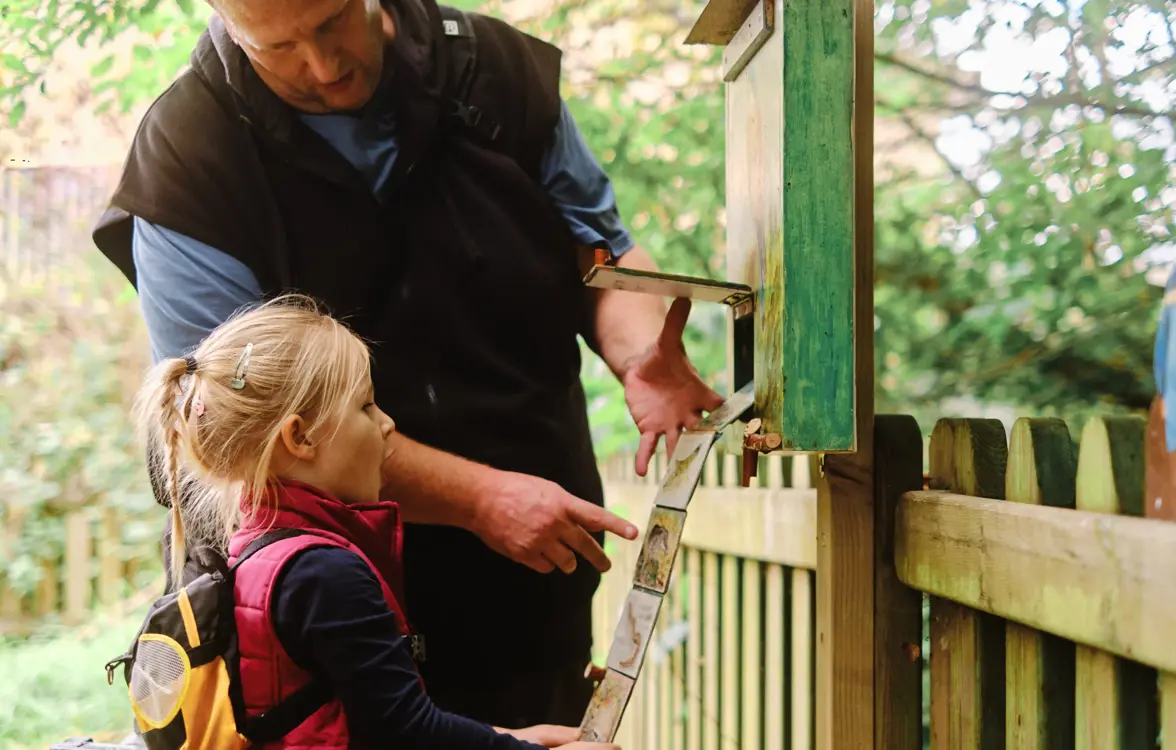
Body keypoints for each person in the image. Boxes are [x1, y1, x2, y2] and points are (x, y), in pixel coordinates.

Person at [93, 0, 724, 728]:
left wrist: (639, 353)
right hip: (310, 626)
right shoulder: (187, 157)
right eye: (280, 48)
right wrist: (480, 499)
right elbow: (242, 432)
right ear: (228, 26)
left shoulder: (498, 74)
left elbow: (600, 249)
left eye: (333, 23)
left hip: (526, 589)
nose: (323, 68)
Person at [131, 295, 620, 749]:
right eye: (366, 405)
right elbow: (408, 732)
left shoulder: (257, 549)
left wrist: (517, 739)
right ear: (299, 437)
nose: (387, 423)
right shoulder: (323, 572)